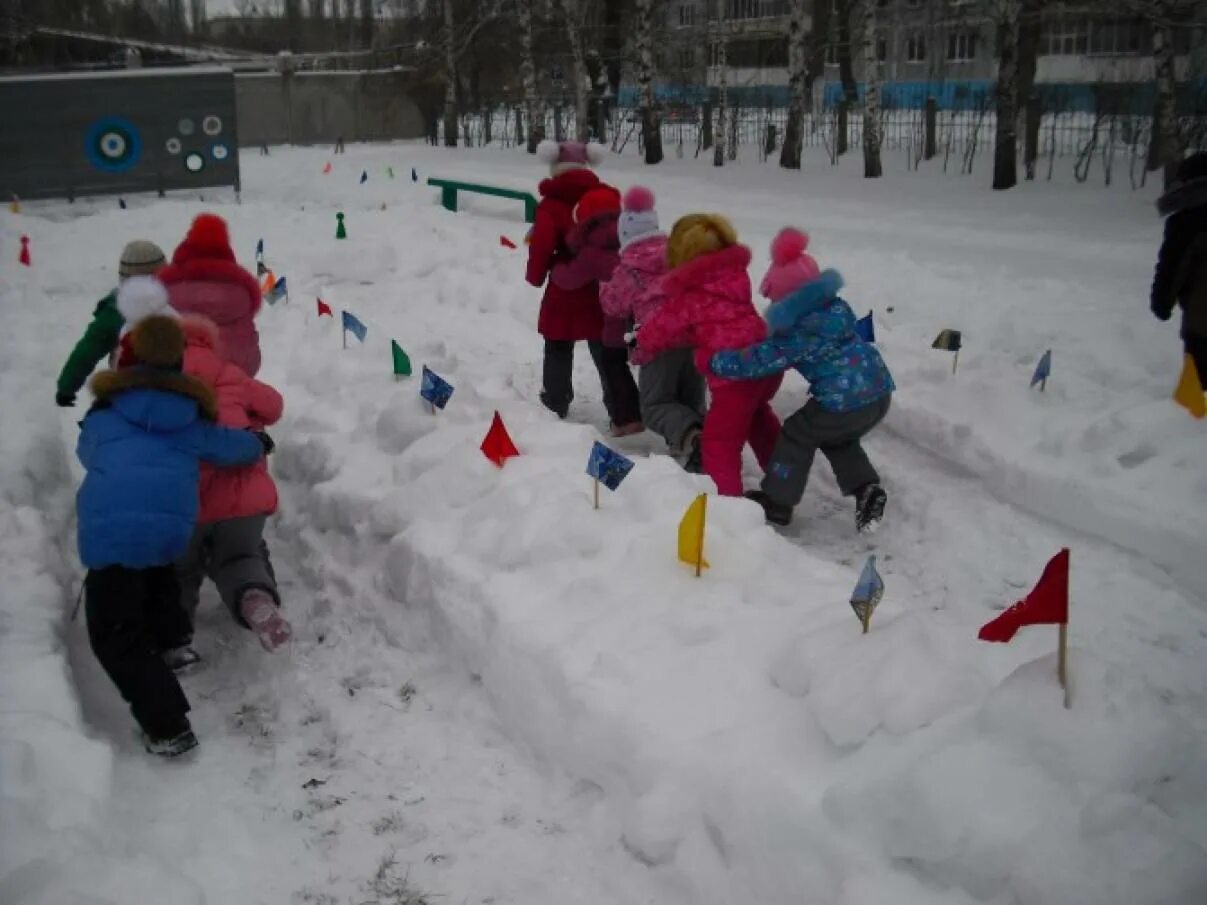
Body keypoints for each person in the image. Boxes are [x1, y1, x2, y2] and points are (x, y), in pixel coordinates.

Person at [76, 314, 268, 757]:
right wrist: (259, 444)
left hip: (111, 533)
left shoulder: (104, 414)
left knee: (114, 634)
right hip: (169, 528)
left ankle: (168, 726)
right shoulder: (189, 417)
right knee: (157, 569)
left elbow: (85, 453)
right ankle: (173, 642)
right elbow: (232, 445)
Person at [115, 277, 291, 656]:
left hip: (181, 504)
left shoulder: (140, 385)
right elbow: (273, 406)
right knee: (241, 557)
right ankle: (256, 602)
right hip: (244, 498)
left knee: (178, 570)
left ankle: (175, 645)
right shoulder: (224, 370)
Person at [711, 229, 895, 533]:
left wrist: (719, 361)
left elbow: (761, 360)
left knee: (798, 432)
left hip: (843, 401)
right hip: (879, 392)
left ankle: (777, 501)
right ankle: (866, 489)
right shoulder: (835, 310)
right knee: (837, 437)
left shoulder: (798, 330)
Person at [631, 214, 781, 496]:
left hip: (735, 375)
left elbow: (661, 329)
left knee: (720, 442)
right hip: (765, 360)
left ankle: (728, 505)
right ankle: (784, 485)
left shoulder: (691, 295)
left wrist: (641, 342)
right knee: (760, 420)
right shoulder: (736, 276)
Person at [526, 140, 642, 435]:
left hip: (565, 284)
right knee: (605, 349)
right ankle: (623, 412)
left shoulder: (550, 205)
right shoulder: (605, 198)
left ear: (554, 168)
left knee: (557, 344)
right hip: (604, 286)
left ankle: (556, 400)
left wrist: (536, 276)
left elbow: (541, 246)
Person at [601, 186, 706, 470]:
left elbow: (613, 305)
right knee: (690, 398)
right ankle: (696, 449)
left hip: (659, 343)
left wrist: (604, 287)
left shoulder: (629, 268)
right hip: (695, 337)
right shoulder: (680, 252)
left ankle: (694, 439)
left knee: (655, 405)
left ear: (624, 235)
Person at [55, 240, 166, 407]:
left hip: (126, 388)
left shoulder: (113, 311)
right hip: (174, 387)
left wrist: (66, 387)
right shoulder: (176, 303)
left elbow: (87, 351)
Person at [158, 213, 263, 377]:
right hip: (232, 386)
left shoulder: (164, 292)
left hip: (179, 389)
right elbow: (251, 359)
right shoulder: (241, 294)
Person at [1152, 152, 1207, 383]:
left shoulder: (1189, 221)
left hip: (1202, 324)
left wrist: (1162, 302)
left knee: (1198, 397)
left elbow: (1173, 266)